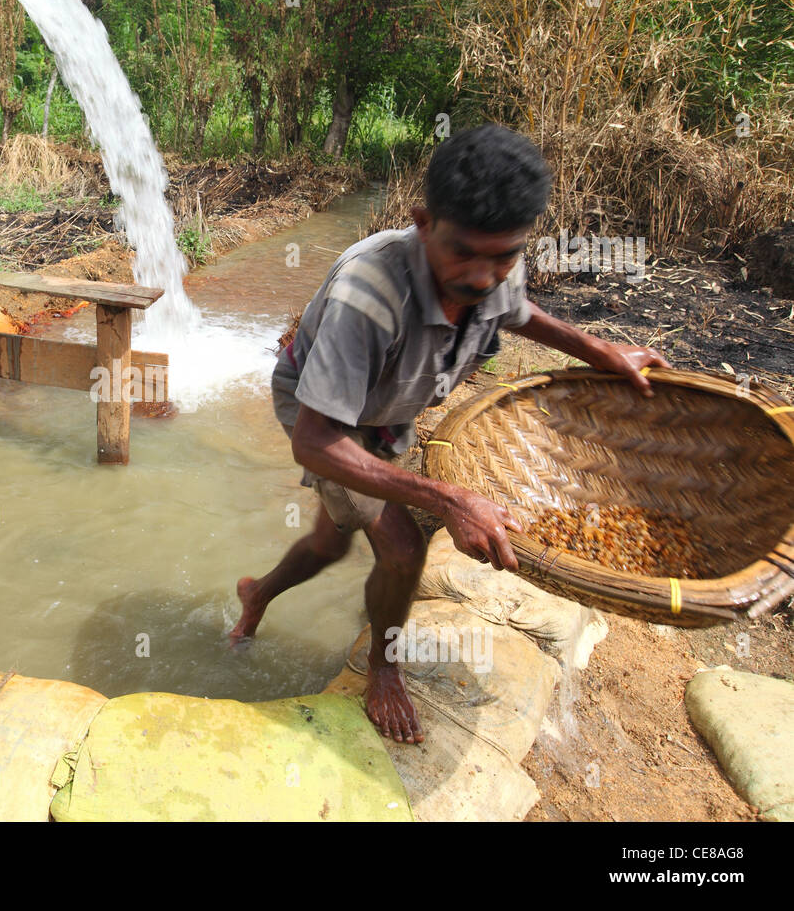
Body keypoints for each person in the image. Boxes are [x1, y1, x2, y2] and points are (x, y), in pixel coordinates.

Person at [232, 124, 667, 745]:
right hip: (326, 413)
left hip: (386, 406)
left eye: (505, 256)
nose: (485, 277)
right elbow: (314, 439)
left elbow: (519, 311)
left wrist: (596, 350)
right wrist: (450, 500)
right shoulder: (370, 293)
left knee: (332, 543)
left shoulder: (489, 263)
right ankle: (382, 669)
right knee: (404, 547)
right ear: (423, 222)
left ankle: (256, 594)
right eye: (464, 253)